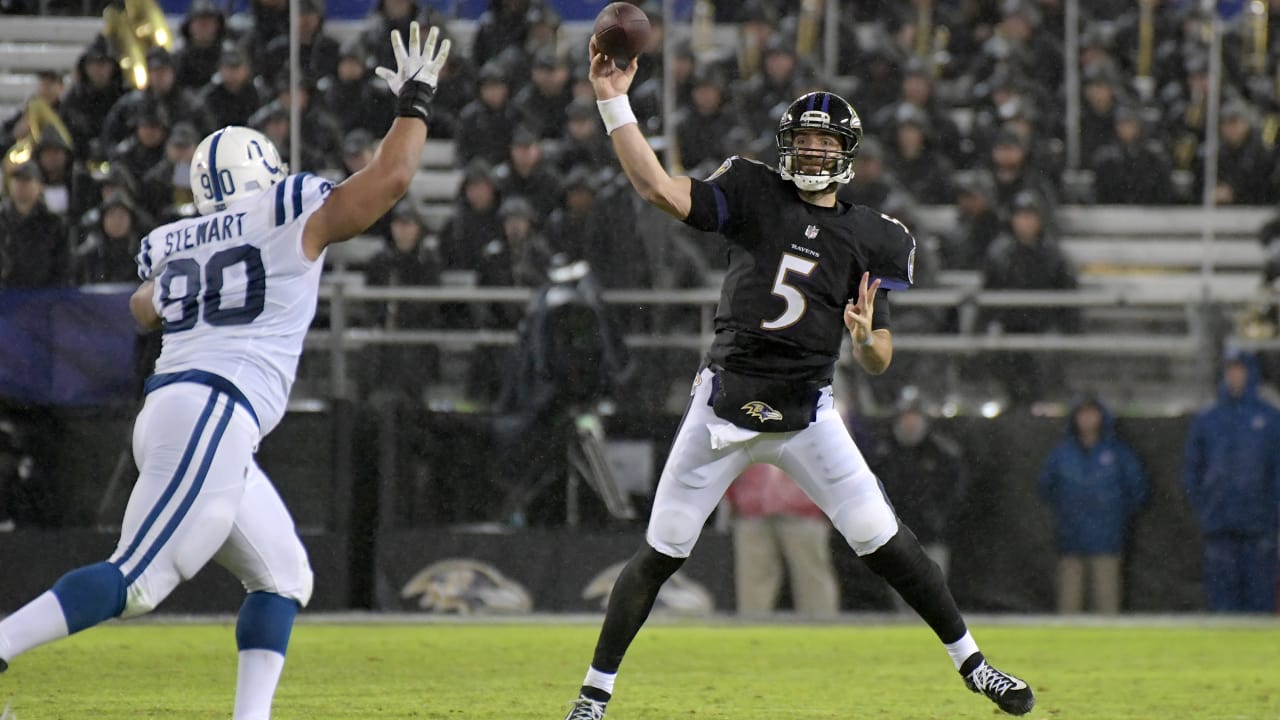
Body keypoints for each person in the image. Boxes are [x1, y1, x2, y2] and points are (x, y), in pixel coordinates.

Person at [560, 40, 1035, 720]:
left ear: (845, 152)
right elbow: (657, 187)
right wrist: (612, 100)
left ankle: (976, 666)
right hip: (723, 409)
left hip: (808, 416)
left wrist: (867, 341)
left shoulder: (874, 236)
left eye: (822, 143)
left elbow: (880, 357)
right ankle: (594, 696)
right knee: (661, 552)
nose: (810, 154)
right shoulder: (754, 192)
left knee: (886, 541)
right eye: (802, 142)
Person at [0, 22, 450, 719]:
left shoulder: (172, 238)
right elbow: (390, 178)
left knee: (283, 576)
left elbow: (141, 308)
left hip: (190, 409)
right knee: (138, 581)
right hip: (214, 407)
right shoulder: (283, 209)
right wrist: (415, 103)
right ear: (262, 171)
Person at [1183, 352, 1280, 613]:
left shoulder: (1271, 418)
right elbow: (1193, 467)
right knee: (1222, 597)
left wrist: (1272, 511)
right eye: (1230, 370)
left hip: (1260, 524)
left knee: (1259, 595)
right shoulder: (1208, 418)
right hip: (1219, 522)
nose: (1235, 376)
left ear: (1251, 373)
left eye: (1240, 370)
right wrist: (1205, 506)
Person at [1038, 395, 1147, 614]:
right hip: (1070, 540)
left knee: (1106, 605)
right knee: (1068, 606)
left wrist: (1115, 516)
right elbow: (1045, 487)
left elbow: (1137, 489)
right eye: (1082, 413)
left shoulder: (1118, 454)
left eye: (1092, 413)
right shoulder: (1062, 455)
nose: (1087, 419)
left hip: (1106, 542)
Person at [870, 395, 968, 607]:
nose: (910, 423)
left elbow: (955, 493)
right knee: (902, 595)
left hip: (931, 537)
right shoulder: (883, 453)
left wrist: (940, 520)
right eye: (906, 417)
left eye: (915, 417)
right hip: (895, 536)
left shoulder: (942, 453)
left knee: (932, 594)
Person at [725, 463, 839, 618]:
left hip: (803, 506)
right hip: (753, 506)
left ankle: (823, 633)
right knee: (753, 582)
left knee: (811, 578)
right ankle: (752, 634)